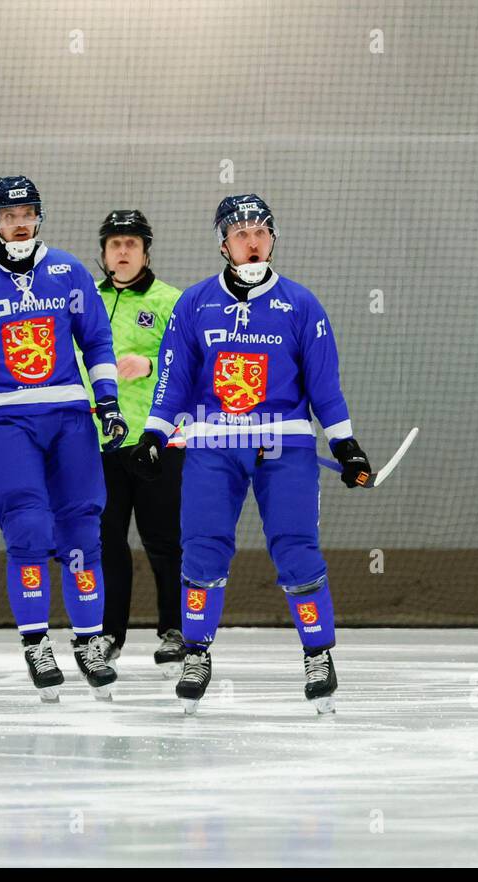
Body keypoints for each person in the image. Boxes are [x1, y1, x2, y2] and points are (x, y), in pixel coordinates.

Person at [130, 194, 370, 715]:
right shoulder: (194, 304)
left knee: (296, 547)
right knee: (202, 547)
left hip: (284, 444)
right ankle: (196, 652)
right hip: (214, 444)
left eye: (261, 230)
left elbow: (325, 386)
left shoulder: (302, 305)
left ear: (272, 238)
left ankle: (318, 654)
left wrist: (346, 445)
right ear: (224, 244)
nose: (253, 240)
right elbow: (173, 378)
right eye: (241, 233)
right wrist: (154, 431)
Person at [0, 175, 127, 701]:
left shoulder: (68, 270)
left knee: (83, 531)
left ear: (39, 216)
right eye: (9, 214)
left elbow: (98, 339)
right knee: (30, 526)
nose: (19, 222)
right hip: (5, 421)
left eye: (27, 212)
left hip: (69, 416)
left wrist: (107, 401)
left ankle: (88, 642)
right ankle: (36, 642)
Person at [78, 210, 185, 675]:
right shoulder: (83, 299)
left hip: (156, 441)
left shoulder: (171, 301)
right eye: (115, 244)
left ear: (145, 252)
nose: (123, 251)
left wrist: (151, 364)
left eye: (132, 244)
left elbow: (192, 369)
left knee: (164, 540)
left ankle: (175, 630)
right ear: (103, 253)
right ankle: (108, 634)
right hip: (97, 443)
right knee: (106, 542)